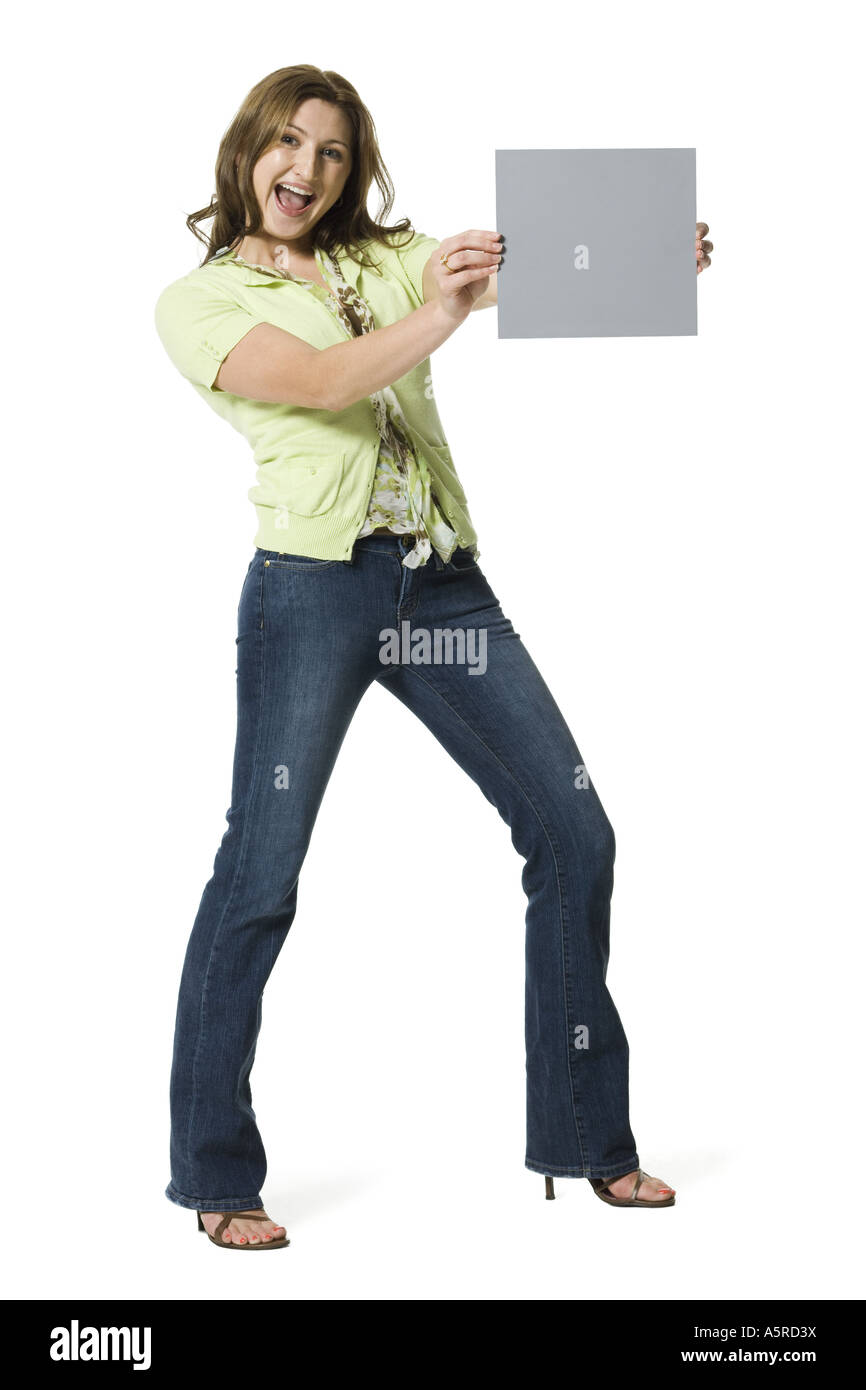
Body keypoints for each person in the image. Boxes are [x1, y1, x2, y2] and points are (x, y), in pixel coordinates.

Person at [154, 64, 713, 1250]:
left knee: (573, 835)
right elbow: (317, 382)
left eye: (334, 153)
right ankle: (214, 1170)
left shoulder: (374, 264)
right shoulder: (198, 301)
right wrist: (443, 312)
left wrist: (645, 253)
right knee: (259, 873)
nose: (307, 170)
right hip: (312, 591)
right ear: (248, 148)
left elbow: (492, 267)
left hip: (438, 580)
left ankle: (584, 1142)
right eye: (289, 144)